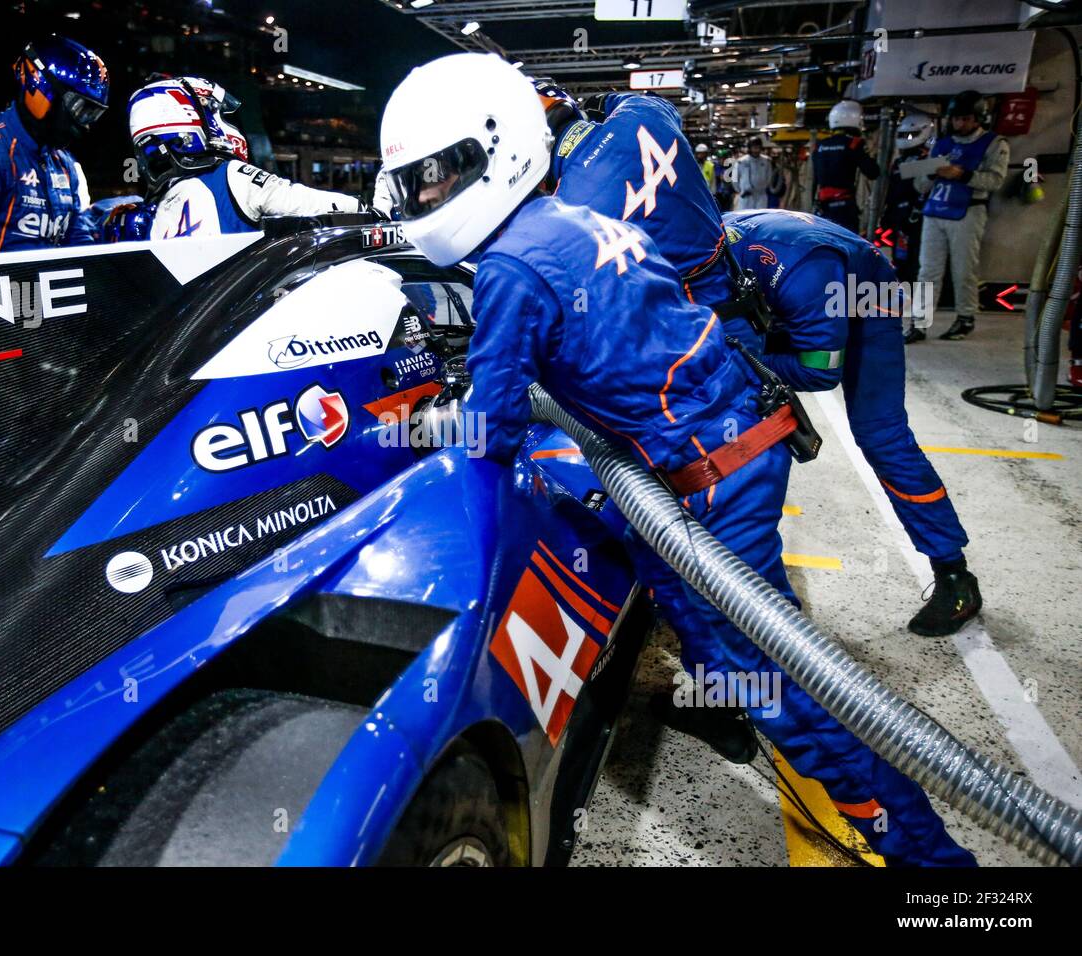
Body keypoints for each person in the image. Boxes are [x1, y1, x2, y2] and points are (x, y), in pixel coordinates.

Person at [381, 51, 974, 866]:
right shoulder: (582, 218)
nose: (424, 199)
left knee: (789, 691)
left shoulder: (512, 269)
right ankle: (727, 704)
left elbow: (494, 430)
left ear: (496, 150)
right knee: (689, 609)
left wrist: (417, 427)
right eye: (413, 183)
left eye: (437, 176)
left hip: (711, 472)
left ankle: (928, 861)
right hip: (733, 439)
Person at [725, 208, 981, 637]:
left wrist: (738, 359)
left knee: (881, 435)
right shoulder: (697, 247)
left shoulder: (803, 267)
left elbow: (819, 371)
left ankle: (954, 574)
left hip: (865, 298)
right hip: (791, 289)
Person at [541, 82, 730, 310]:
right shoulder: (644, 111)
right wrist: (604, 101)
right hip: (739, 299)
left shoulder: (566, 209)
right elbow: (657, 102)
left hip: (677, 330)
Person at [114, 75, 360, 241]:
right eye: (215, 113)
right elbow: (301, 200)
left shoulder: (149, 211)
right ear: (189, 117)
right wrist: (363, 208)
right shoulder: (230, 176)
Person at [0, 35, 109, 256]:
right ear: (40, 87)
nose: (86, 125)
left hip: (48, 287)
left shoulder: (66, 165)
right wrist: (17, 286)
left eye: (93, 114)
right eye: (81, 109)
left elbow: (78, 239)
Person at [916, 91, 1010, 341]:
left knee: (964, 269)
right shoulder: (942, 144)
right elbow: (919, 184)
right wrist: (931, 173)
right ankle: (919, 322)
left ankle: (965, 317)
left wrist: (963, 175)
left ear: (979, 118)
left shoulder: (994, 143)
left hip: (968, 211)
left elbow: (996, 180)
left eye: (966, 119)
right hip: (935, 210)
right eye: (956, 119)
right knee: (928, 270)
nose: (961, 124)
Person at [885, 111, 937, 343]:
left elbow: (924, 186)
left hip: (924, 224)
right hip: (902, 223)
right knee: (903, 271)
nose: (907, 139)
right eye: (904, 135)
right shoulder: (899, 162)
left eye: (912, 134)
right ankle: (904, 317)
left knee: (921, 273)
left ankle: (920, 323)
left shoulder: (931, 160)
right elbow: (893, 191)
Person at [812, 99, 880, 234]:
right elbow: (873, 172)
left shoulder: (819, 146)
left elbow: (815, 179)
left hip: (822, 206)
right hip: (843, 207)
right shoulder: (853, 144)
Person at [734, 136, 774, 211]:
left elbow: (769, 177)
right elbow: (735, 178)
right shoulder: (741, 161)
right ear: (750, 148)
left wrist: (764, 186)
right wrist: (740, 190)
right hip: (746, 195)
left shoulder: (766, 161)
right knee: (745, 217)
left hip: (761, 195)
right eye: (754, 147)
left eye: (758, 147)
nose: (756, 149)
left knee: (760, 217)